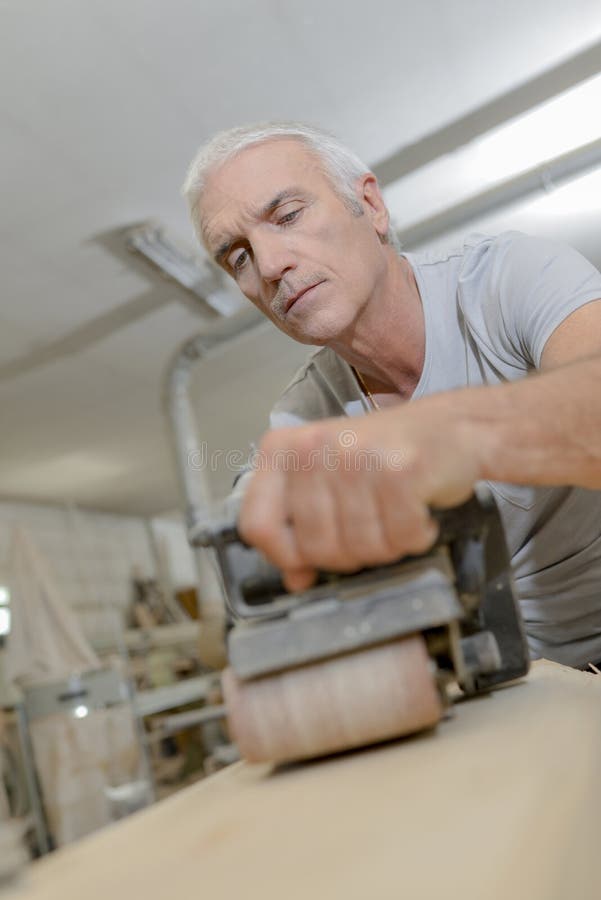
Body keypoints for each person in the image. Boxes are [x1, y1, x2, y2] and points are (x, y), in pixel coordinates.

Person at [183, 122, 601, 667]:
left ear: (371, 206)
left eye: (287, 216)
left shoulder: (507, 279)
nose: (268, 266)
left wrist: (436, 435)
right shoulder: (305, 416)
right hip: (516, 676)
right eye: (238, 257)